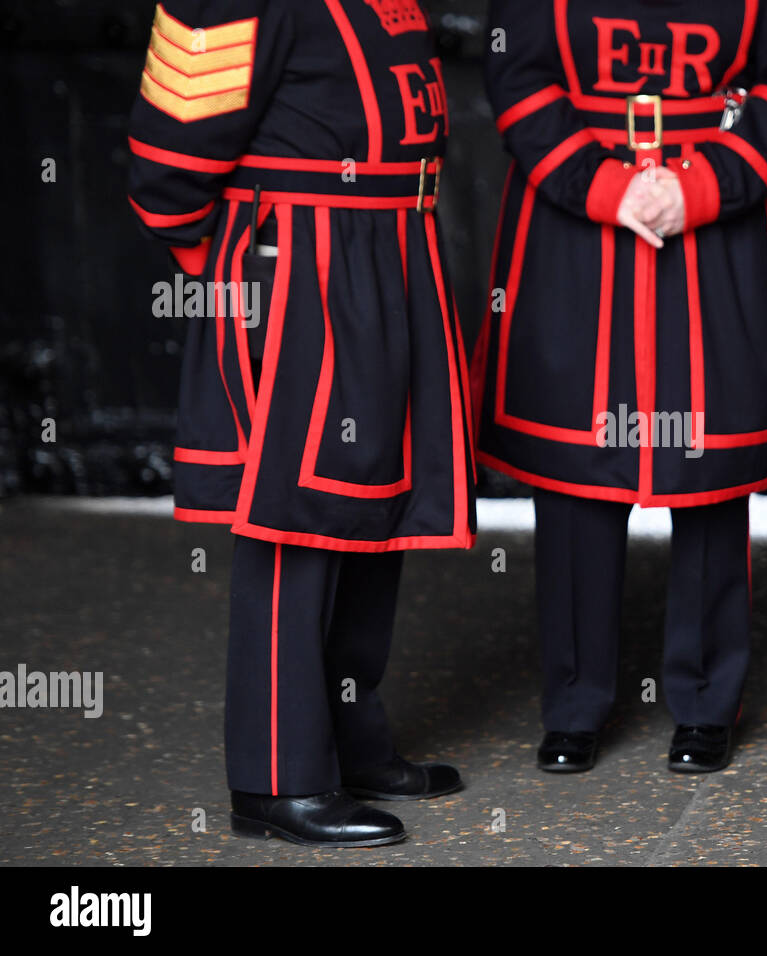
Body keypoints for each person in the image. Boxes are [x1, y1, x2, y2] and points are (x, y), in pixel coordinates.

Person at [126, 0, 476, 846]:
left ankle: (352, 744)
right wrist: (252, 260)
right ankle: (277, 779)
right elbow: (165, 166)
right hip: (304, 269)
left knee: (369, 505)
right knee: (295, 520)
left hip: (393, 249)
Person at [472, 0, 767, 773]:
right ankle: (574, 701)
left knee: (710, 471)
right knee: (573, 474)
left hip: (719, 223)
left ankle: (705, 703)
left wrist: (700, 187)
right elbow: (517, 70)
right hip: (573, 219)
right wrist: (601, 184)